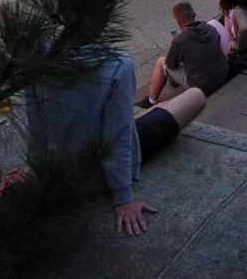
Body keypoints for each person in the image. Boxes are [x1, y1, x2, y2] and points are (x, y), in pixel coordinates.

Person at [26, 50, 206, 235]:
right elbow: (117, 137)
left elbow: (36, 127)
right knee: (196, 96)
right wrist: (123, 198)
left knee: (143, 116)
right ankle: (150, 107)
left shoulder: (39, 62)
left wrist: (36, 170)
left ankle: (149, 106)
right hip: (99, 171)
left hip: (61, 167)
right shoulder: (119, 65)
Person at [139, 1, 227, 108]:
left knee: (161, 62)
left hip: (202, 87)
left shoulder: (180, 40)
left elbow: (170, 65)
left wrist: (176, 47)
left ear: (178, 21)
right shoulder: (210, 28)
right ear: (194, 15)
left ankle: (151, 100)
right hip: (222, 76)